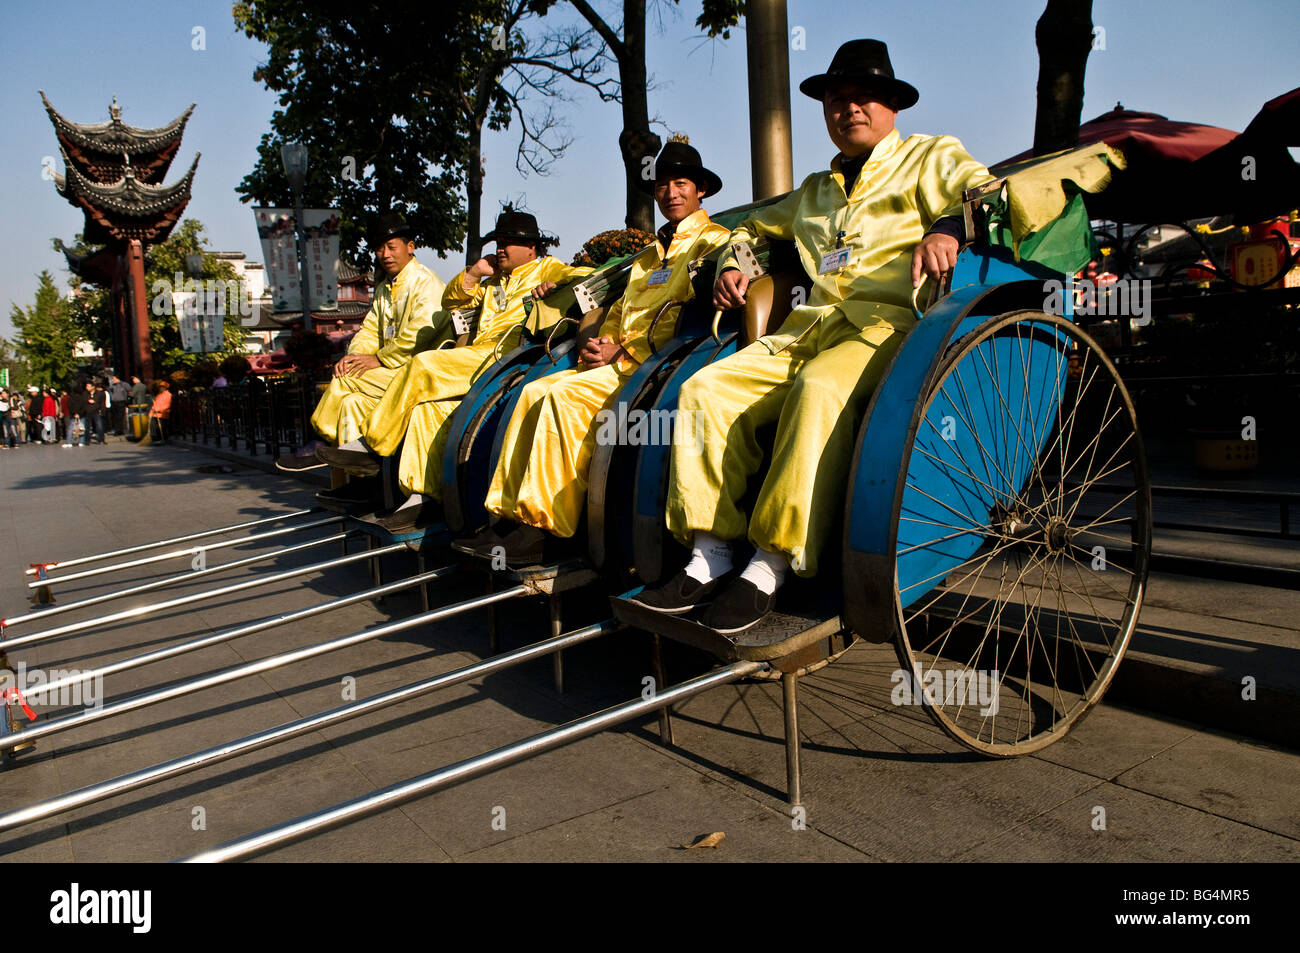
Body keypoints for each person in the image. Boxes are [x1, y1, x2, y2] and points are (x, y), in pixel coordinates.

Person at [631, 39, 992, 633]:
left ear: (892, 106)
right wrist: (735, 263)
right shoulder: (814, 190)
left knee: (819, 391)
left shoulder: (932, 156)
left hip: (887, 328)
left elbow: (982, 191)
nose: (849, 108)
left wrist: (948, 228)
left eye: (864, 98)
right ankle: (710, 554)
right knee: (705, 391)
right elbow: (744, 225)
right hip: (808, 327)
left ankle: (771, 564)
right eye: (837, 99)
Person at [460, 139, 731, 567]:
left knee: (560, 400)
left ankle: (547, 529)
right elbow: (621, 305)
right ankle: (511, 518)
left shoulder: (713, 243)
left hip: (657, 367)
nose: (671, 193)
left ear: (701, 191)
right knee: (532, 393)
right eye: (663, 185)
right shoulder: (648, 253)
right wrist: (603, 339)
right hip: (621, 360)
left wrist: (625, 348)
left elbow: (680, 313)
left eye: (681, 183)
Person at [316, 209, 591, 531]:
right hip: (475, 356)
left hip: (505, 358)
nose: (500, 249)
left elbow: (586, 274)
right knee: (426, 410)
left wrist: (556, 283)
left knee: (424, 363)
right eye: (498, 242)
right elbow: (452, 302)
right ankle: (423, 497)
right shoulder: (492, 283)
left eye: (509, 243)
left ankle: (374, 447)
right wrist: (473, 274)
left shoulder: (548, 266)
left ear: (531, 247)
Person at [277, 212, 446, 470]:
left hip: (416, 373)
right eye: (379, 248)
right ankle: (361, 479)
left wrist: (378, 359)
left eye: (391, 247)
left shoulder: (426, 283)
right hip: (392, 370)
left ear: (410, 247)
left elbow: (421, 333)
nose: (385, 254)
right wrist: (355, 357)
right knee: (351, 403)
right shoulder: (384, 288)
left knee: (349, 378)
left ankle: (320, 440)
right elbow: (369, 330)